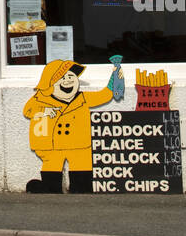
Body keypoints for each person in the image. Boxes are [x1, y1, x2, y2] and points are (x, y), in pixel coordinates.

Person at [22, 58, 116, 194]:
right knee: (52, 166)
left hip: (79, 144)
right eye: (62, 77)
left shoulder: (82, 98)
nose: (68, 80)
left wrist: (115, 78)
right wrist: (44, 111)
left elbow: (104, 95)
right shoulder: (41, 99)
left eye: (71, 76)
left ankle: (81, 188)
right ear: (49, 84)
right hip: (53, 145)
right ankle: (50, 187)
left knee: (82, 166)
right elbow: (28, 110)